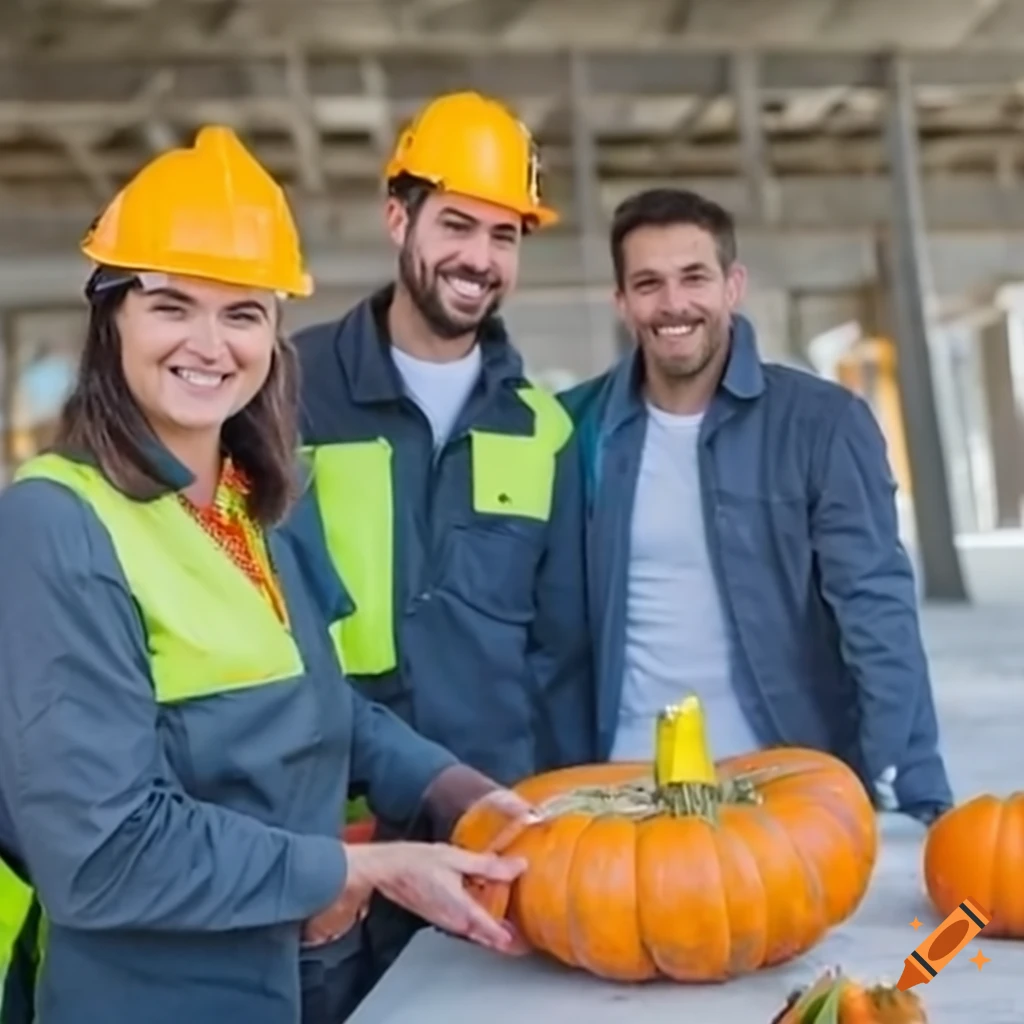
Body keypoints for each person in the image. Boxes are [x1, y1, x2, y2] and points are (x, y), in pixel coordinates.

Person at [0, 125, 537, 1024]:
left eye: (243, 312)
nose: (210, 344)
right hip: (153, 1000)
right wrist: (351, 870)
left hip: (302, 981)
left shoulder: (261, 499)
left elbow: (323, 707)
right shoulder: (55, 522)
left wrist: (459, 792)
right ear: (112, 316)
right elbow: (99, 854)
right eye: (173, 305)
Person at [286, 90, 594, 983]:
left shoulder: (542, 428)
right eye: (457, 224)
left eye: (504, 236)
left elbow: (561, 657)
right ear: (398, 219)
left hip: (489, 841)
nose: (479, 258)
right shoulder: (284, 392)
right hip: (330, 836)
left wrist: (563, 830)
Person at [559, 187, 954, 824]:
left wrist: (904, 779)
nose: (674, 303)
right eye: (649, 284)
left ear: (733, 286)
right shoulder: (573, 430)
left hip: (779, 786)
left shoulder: (822, 424)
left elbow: (877, 608)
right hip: (618, 790)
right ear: (622, 301)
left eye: (694, 278)